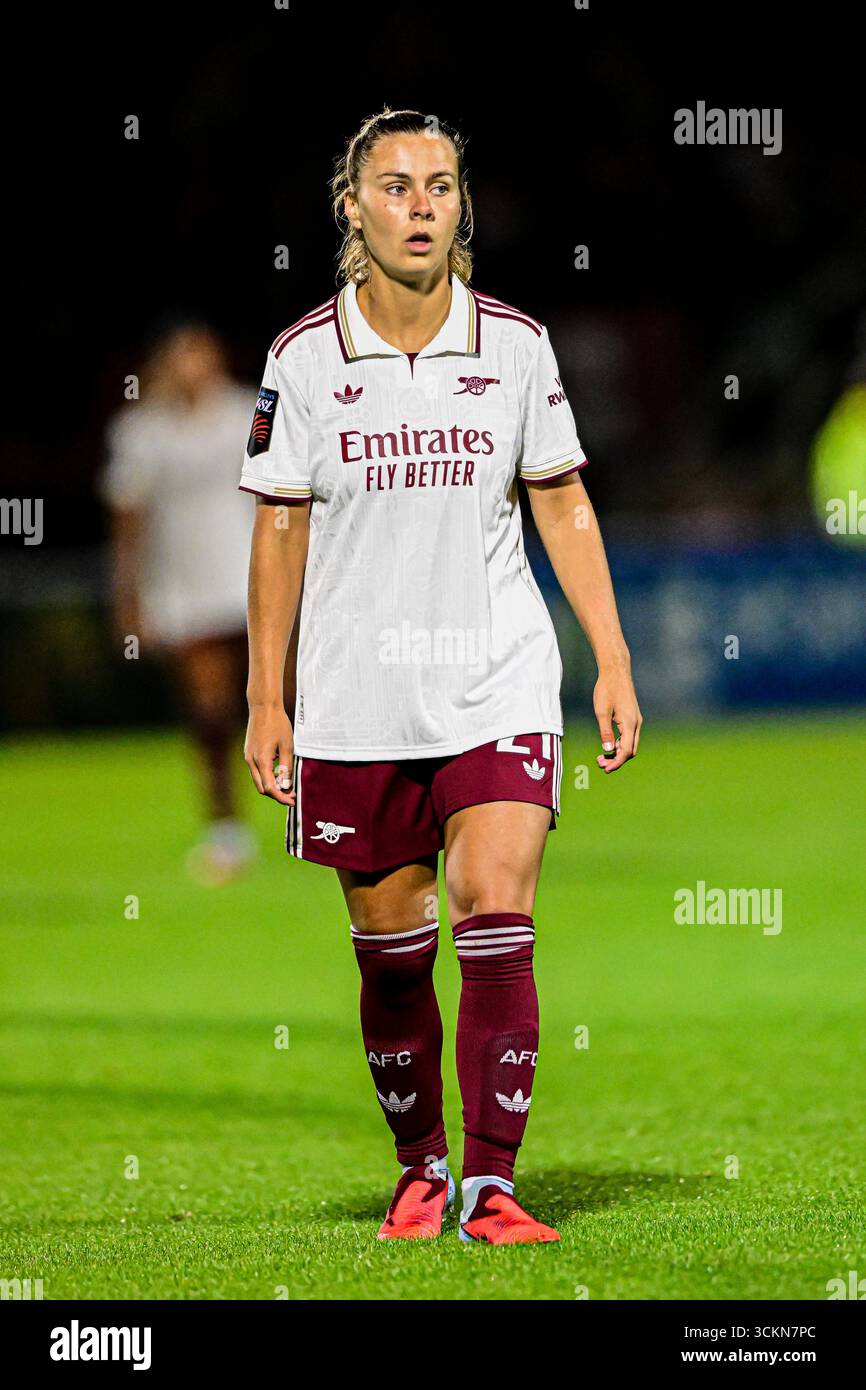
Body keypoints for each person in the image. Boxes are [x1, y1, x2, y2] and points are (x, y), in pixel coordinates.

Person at [241, 108, 642, 1244]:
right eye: (395, 186)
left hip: (495, 680)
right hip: (356, 695)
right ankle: (418, 1164)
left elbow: (558, 498)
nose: (419, 205)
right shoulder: (302, 359)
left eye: (439, 186)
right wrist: (268, 697)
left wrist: (605, 656)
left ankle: (491, 1183)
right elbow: (277, 531)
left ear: (462, 207)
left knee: (494, 902)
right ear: (351, 206)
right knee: (393, 952)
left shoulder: (512, 345)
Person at [102, 321, 291, 883]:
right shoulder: (141, 432)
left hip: (253, 580)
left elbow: (285, 492)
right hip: (183, 590)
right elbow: (128, 519)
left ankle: (319, 810)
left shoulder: (248, 412)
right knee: (210, 715)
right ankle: (227, 829)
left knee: (294, 698)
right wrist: (128, 596)